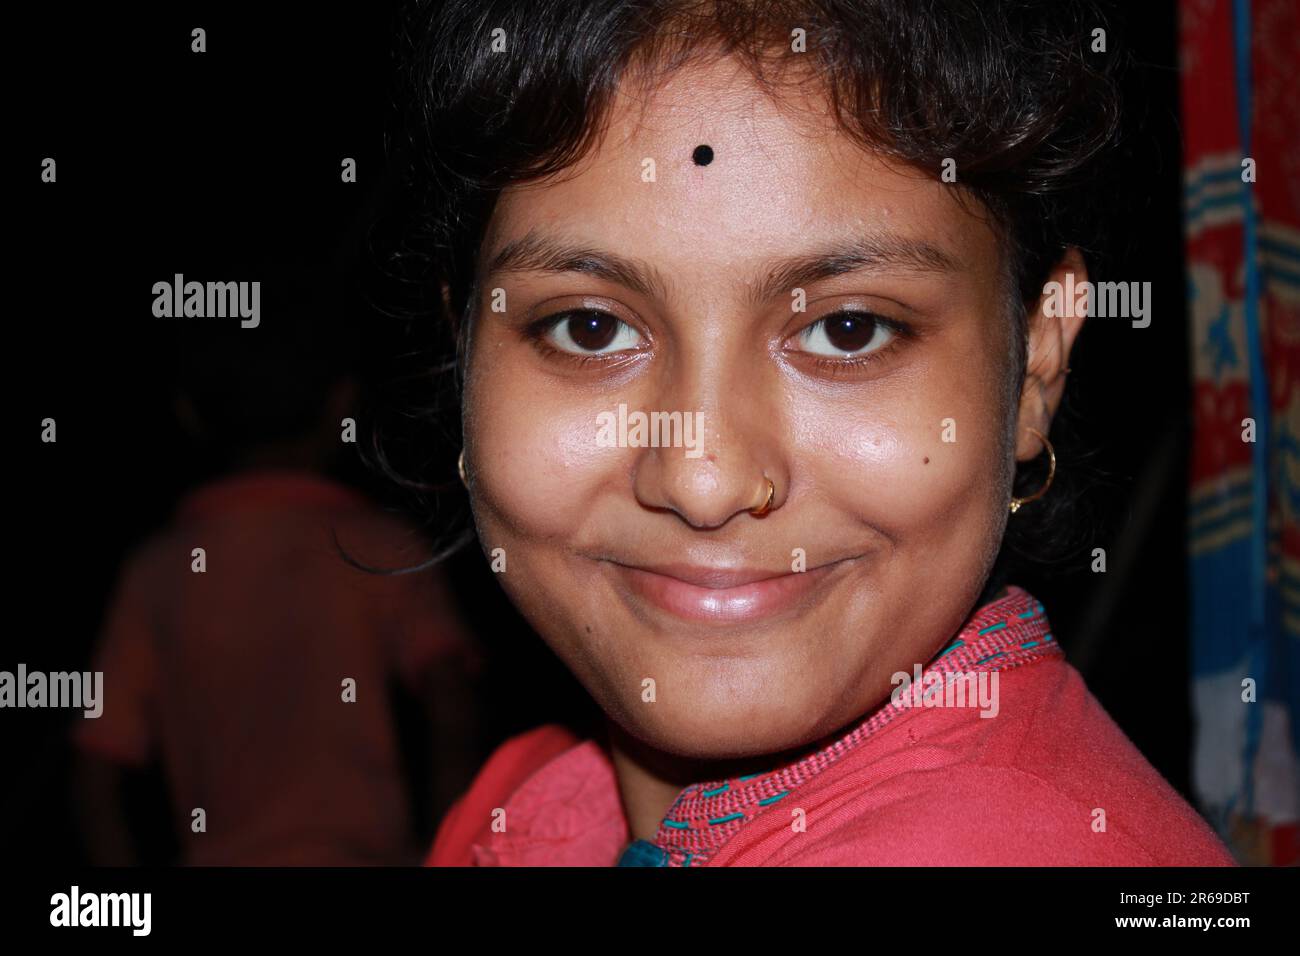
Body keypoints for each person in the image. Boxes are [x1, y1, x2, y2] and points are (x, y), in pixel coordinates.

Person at [387, 0, 1236, 865]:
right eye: (590, 328)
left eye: (849, 330)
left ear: (1038, 367)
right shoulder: (518, 805)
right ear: (468, 354)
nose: (703, 479)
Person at [74, 260, 483, 865]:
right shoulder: (380, 545)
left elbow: (97, 767)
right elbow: (452, 699)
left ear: (188, 412)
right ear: (341, 401)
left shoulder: (155, 571)